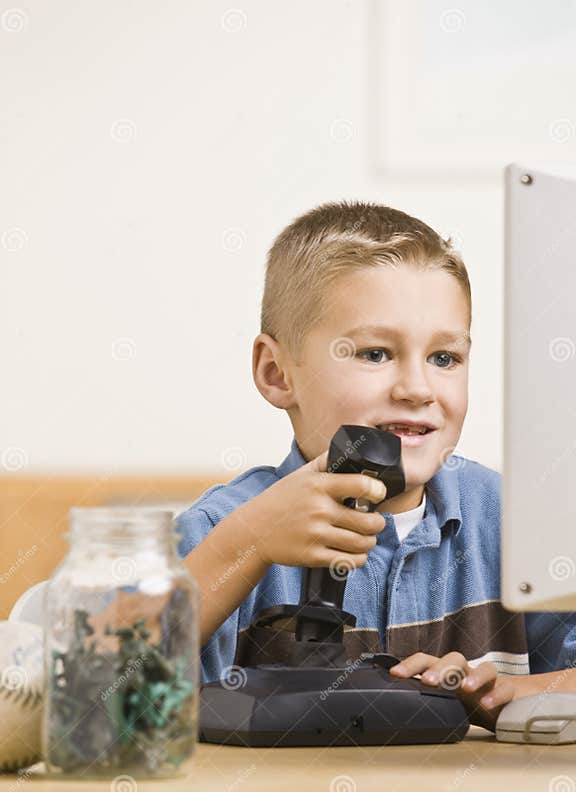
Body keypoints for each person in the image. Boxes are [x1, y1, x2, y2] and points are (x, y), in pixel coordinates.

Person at [176, 200, 576, 732]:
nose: (416, 389)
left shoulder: (513, 521)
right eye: (374, 354)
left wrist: (512, 692)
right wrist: (244, 545)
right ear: (276, 373)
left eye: (444, 358)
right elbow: (107, 699)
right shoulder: (218, 532)